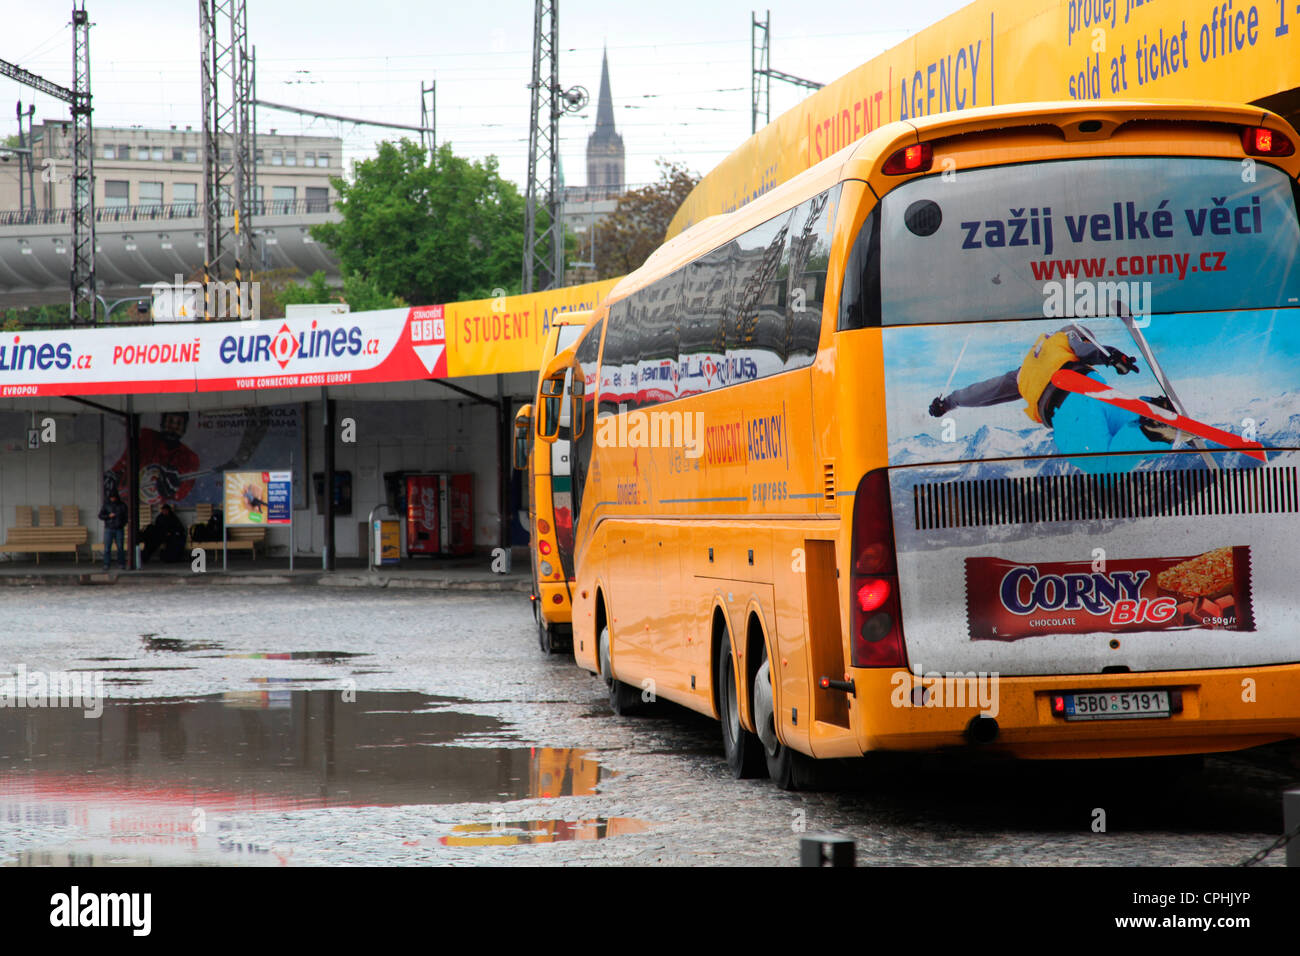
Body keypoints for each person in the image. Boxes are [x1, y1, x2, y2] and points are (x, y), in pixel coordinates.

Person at [929, 323, 1177, 475]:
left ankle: (1152, 429)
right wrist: (1112, 357)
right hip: (1096, 392)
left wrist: (950, 402)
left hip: (1067, 405)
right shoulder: (1066, 337)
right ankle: (1153, 413)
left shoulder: (1022, 373)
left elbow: (985, 391)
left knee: (1102, 465)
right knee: (1120, 432)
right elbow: (1087, 348)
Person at [98, 490, 129, 571]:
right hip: (109, 528)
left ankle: (121, 563)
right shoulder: (106, 505)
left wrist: (122, 524)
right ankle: (106, 564)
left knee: (120, 547)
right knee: (107, 548)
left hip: (119, 528)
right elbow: (100, 516)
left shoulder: (122, 505)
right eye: (111, 498)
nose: (113, 499)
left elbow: (126, 516)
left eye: (114, 498)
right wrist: (108, 516)